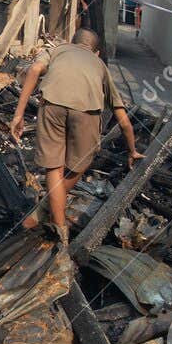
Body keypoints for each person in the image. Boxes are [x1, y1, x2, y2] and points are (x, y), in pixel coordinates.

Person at [8, 30, 142, 240]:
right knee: (78, 166)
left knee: (54, 166)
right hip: (86, 113)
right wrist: (132, 150)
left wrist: (19, 114)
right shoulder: (100, 66)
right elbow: (123, 120)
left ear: (71, 42)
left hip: (52, 104)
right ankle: (59, 228)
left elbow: (34, 69)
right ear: (96, 52)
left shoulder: (56, 50)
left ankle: (52, 219)